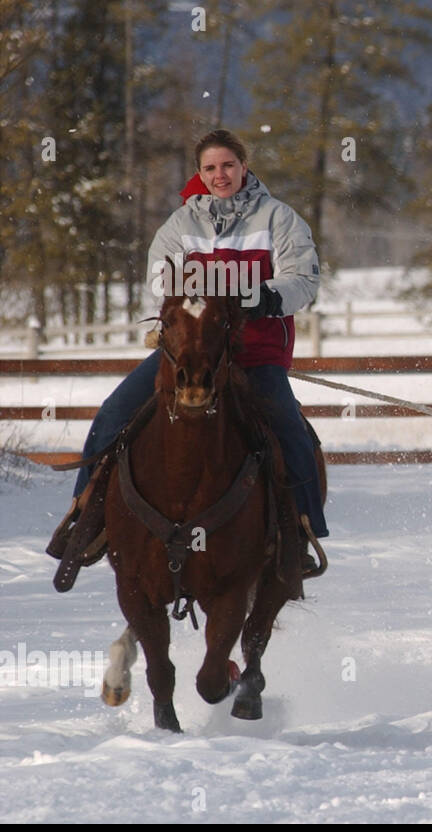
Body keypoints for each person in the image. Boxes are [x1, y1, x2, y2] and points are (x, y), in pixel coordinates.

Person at [49, 128, 328, 573]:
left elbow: (303, 280)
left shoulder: (279, 218)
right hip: (188, 353)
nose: (221, 175)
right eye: (210, 168)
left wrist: (257, 297)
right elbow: (160, 280)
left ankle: (302, 529)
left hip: (254, 354)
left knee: (289, 429)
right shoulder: (181, 223)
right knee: (114, 411)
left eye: (228, 166)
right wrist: (219, 290)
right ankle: (84, 517)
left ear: (244, 166)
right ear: (199, 173)